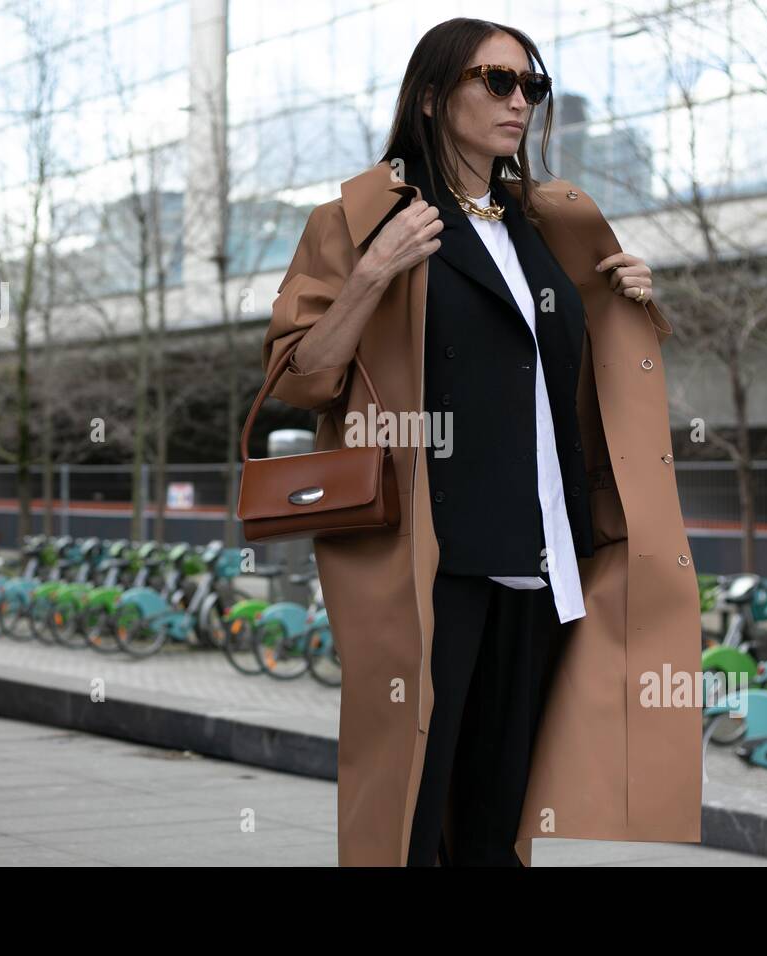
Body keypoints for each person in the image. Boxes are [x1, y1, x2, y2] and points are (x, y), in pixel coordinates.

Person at [258, 17, 700, 866]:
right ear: (433, 95)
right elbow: (297, 378)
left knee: (501, 824)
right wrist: (373, 274)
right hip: (432, 557)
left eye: (531, 85)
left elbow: (574, 379)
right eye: (494, 81)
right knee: (412, 817)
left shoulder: (547, 227)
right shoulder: (356, 221)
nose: (519, 101)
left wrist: (630, 304)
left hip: (544, 556)